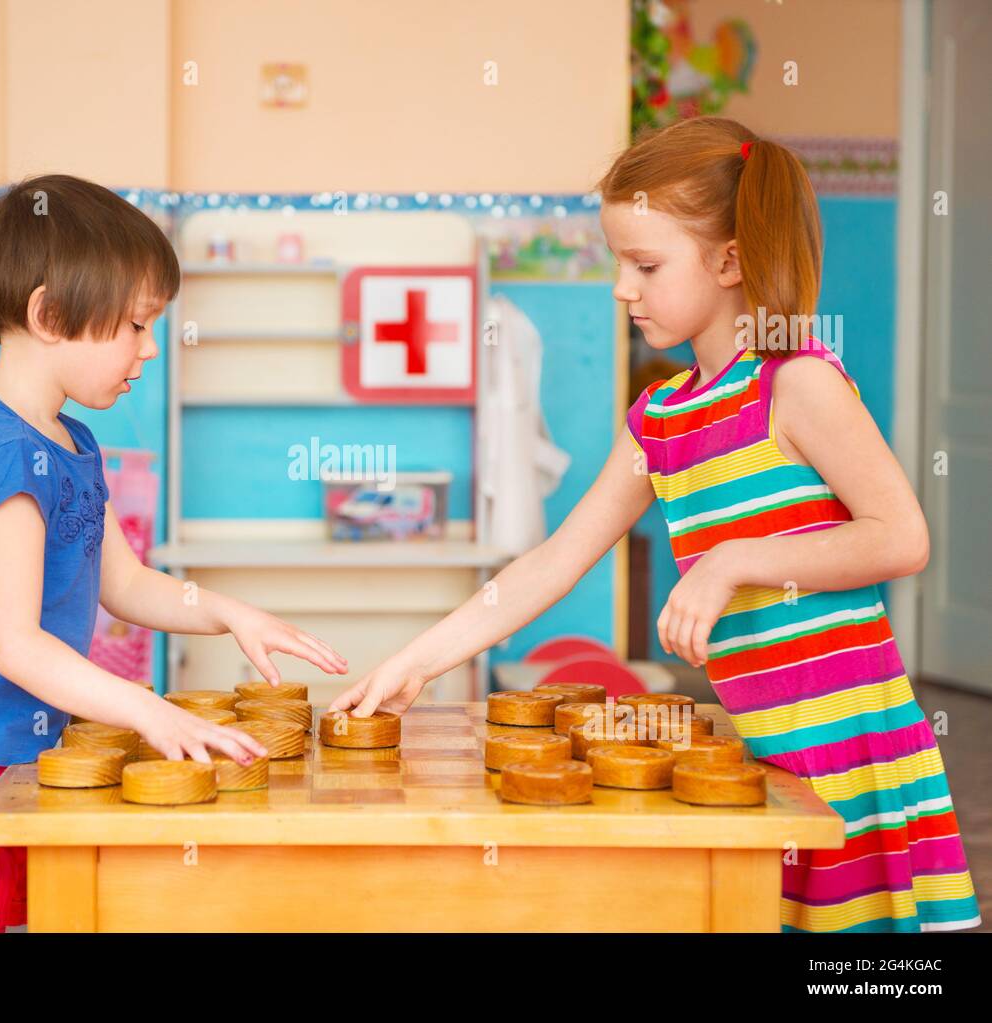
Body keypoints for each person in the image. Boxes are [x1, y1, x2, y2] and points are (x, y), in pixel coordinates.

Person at [331, 117, 980, 934]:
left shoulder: (797, 384)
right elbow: (554, 561)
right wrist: (416, 661)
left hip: (853, 756)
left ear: (730, 260)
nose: (621, 288)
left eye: (644, 265)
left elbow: (900, 536)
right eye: (617, 263)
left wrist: (731, 559)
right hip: (765, 759)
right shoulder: (661, 418)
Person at [0, 174, 348, 932]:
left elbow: (125, 583)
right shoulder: (4, 457)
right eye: (135, 325)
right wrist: (149, 712)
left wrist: (227, 612)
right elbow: (13, 643)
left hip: (24, 764)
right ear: (50, 313)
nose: (150, 350)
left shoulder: (70, 441)